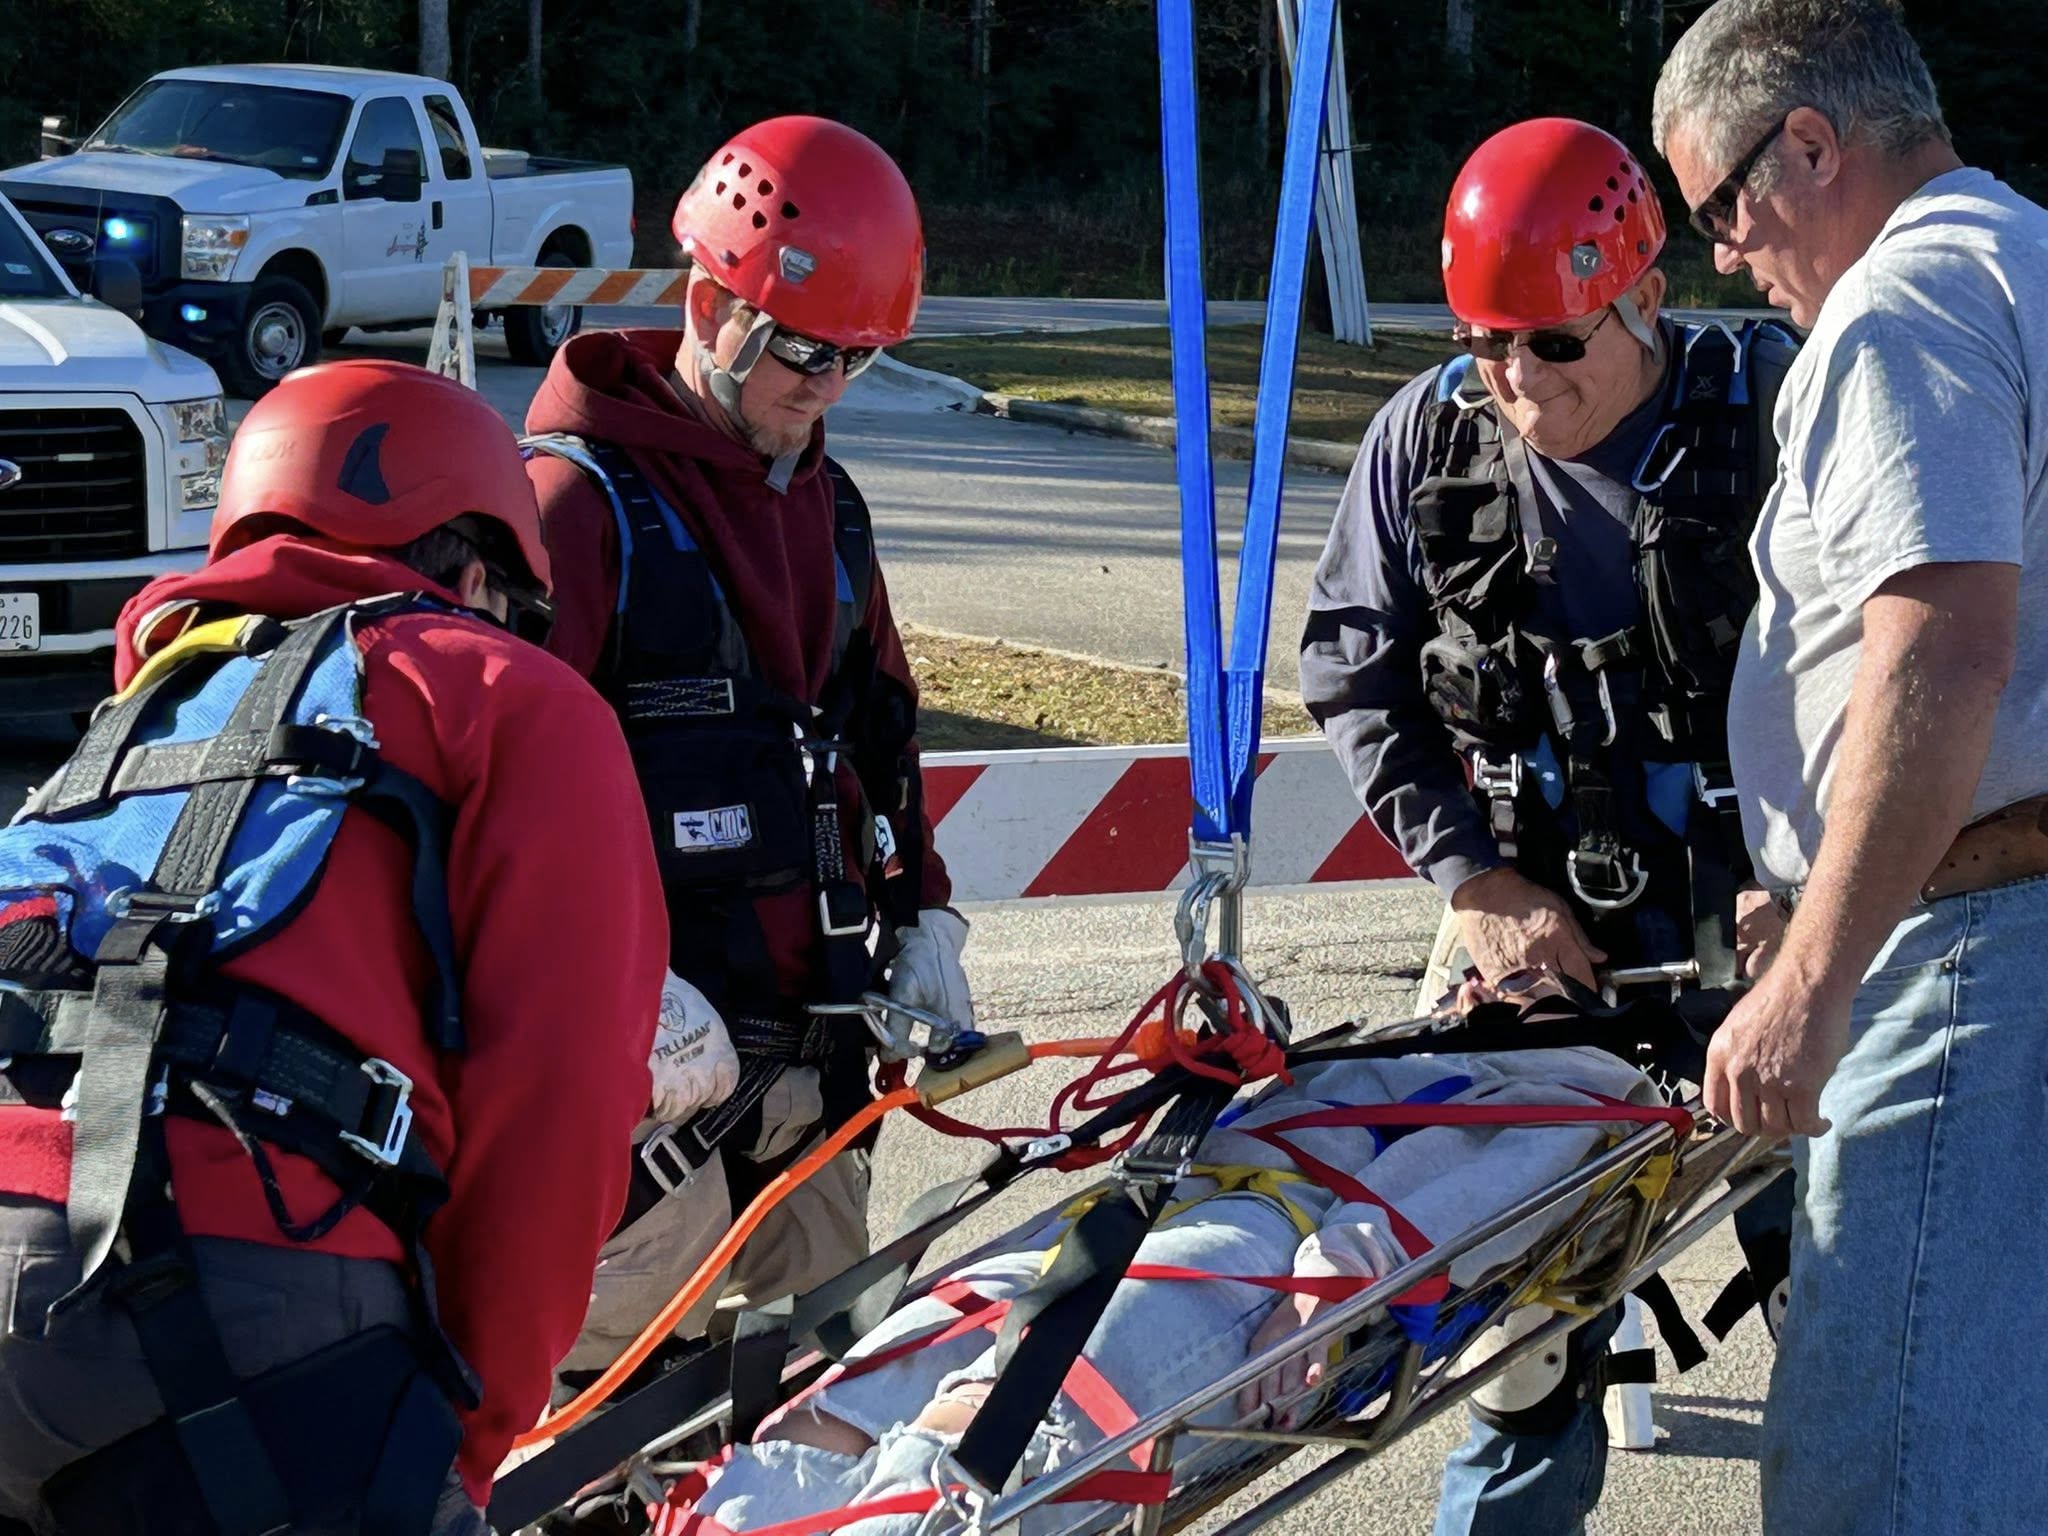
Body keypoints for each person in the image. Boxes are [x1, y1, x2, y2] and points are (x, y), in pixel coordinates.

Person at [0, 360, 669, 1535]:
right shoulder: (504, 693)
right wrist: (464, 1431)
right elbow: (556, 1104)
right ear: (472, 571)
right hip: (233, 1306)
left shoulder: (135, 720)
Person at [1298, 118, 1798, 1535]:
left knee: (1841, 1303)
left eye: (1553, 346)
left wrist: (1808, 885)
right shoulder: (1429, 443)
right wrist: (1475, 881)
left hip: (1772, 950)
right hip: (1541, 959)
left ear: (1640, 294)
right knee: (1525, 1352)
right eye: (1484, 345)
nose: (1517, 383)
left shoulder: (1775, 415)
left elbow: (1897, 667)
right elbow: (1349, 668)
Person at [1653, 2, 2048, 1529]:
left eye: (1720, 212)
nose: (1726, 262)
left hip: (1960, 962)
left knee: (1887, 1474)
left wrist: (1816, 970)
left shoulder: (1900, 308)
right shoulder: (2022, 257)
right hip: (1987, 921)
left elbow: (1940, 648)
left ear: (1808, 145)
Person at [523, 115, 969, 1388]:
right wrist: (605, 989)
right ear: (709, 300)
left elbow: (877, 720)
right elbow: (486, 801)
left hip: (812, 1094)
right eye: (802, 353)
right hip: (635, 1124)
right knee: (586, 1451)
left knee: (823, 1433)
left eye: (857, 364)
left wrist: (921, 914)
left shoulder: (827, 507)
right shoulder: (573, 509)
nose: (825, 391)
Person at [653, 1046, 1665, 1536]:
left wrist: (1345, 1275)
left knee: (983, 1440)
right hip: (1147, 1202)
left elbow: (1477, 1201)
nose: (1510, 969)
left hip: (1266, 1249)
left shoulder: (1573, 1088)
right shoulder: (1389, 1050)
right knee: (839, 1400)